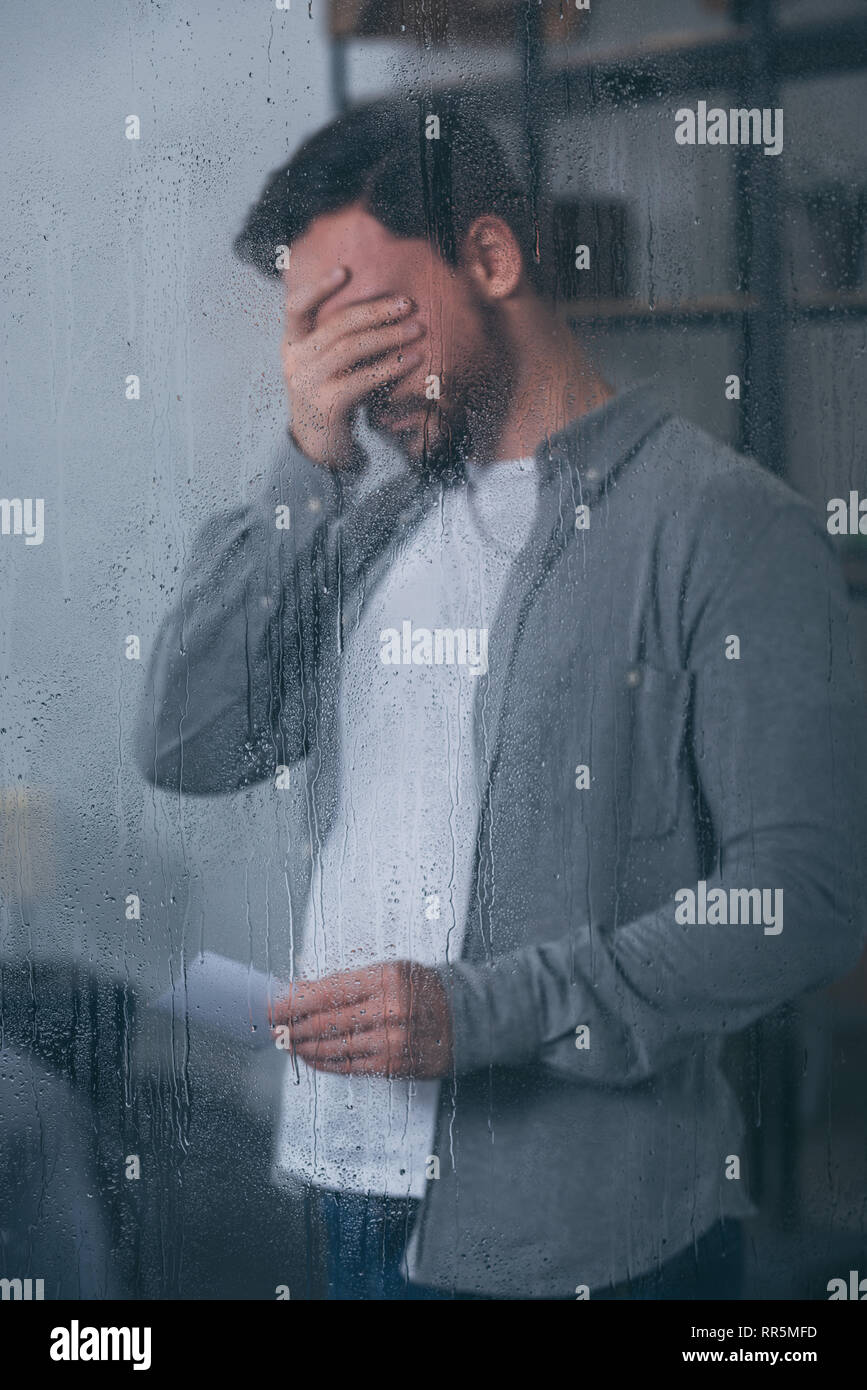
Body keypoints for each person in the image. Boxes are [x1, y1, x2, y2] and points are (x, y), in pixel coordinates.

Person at [135, 96, 867, 1299]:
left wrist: (485, 1015)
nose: (340, 369)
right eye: (307, 333)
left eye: (365, 314)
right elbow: (183, 739)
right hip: (346, 1197)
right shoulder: (361, 526)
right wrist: (303, 460)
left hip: (584, 1243)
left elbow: (807, 900)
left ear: (490, 256)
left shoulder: (727, 527)